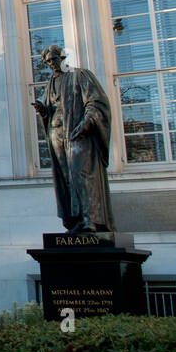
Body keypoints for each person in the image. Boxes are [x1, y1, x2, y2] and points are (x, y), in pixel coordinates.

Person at [32, 44, 116, 233]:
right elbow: (52, 110)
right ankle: (75, 221)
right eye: (47, 62)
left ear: (62, 58)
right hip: (56, 134)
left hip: (78, 133)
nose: (51, 64)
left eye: (53, 60)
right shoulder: (50, 84)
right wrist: (43, 112)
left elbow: (96, 102)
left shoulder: (80, 75)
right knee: (65, 178)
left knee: (81, 174)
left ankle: (91, 220)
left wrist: (87, 122)